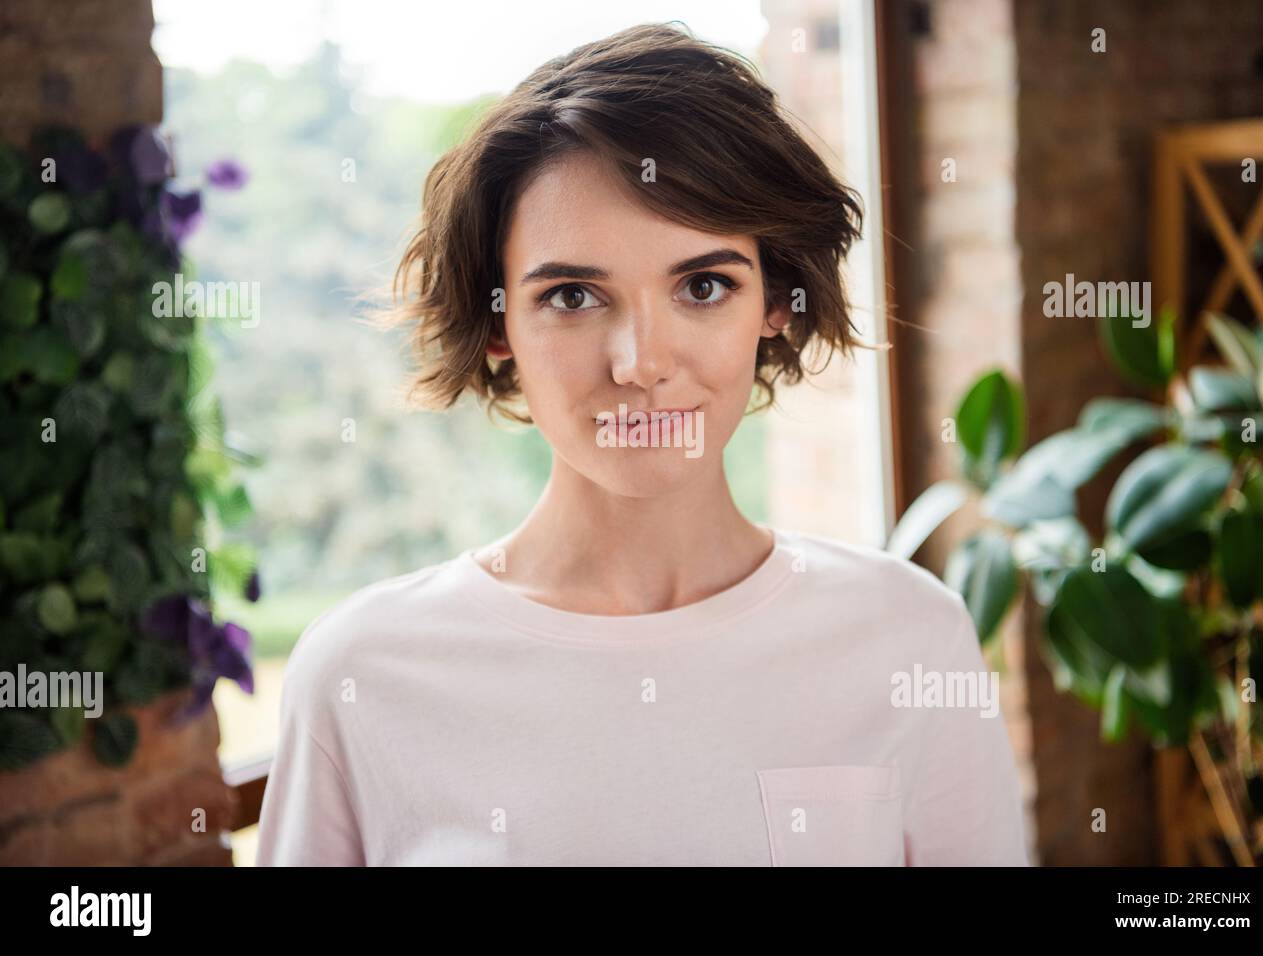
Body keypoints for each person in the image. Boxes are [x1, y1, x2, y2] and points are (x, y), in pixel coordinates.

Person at [255, 22, 1028, 866]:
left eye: (703, 286)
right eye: (574, 297)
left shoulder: (909, 638)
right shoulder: (362, 676)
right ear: (498, 321)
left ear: (775, 302)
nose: (641, 363)